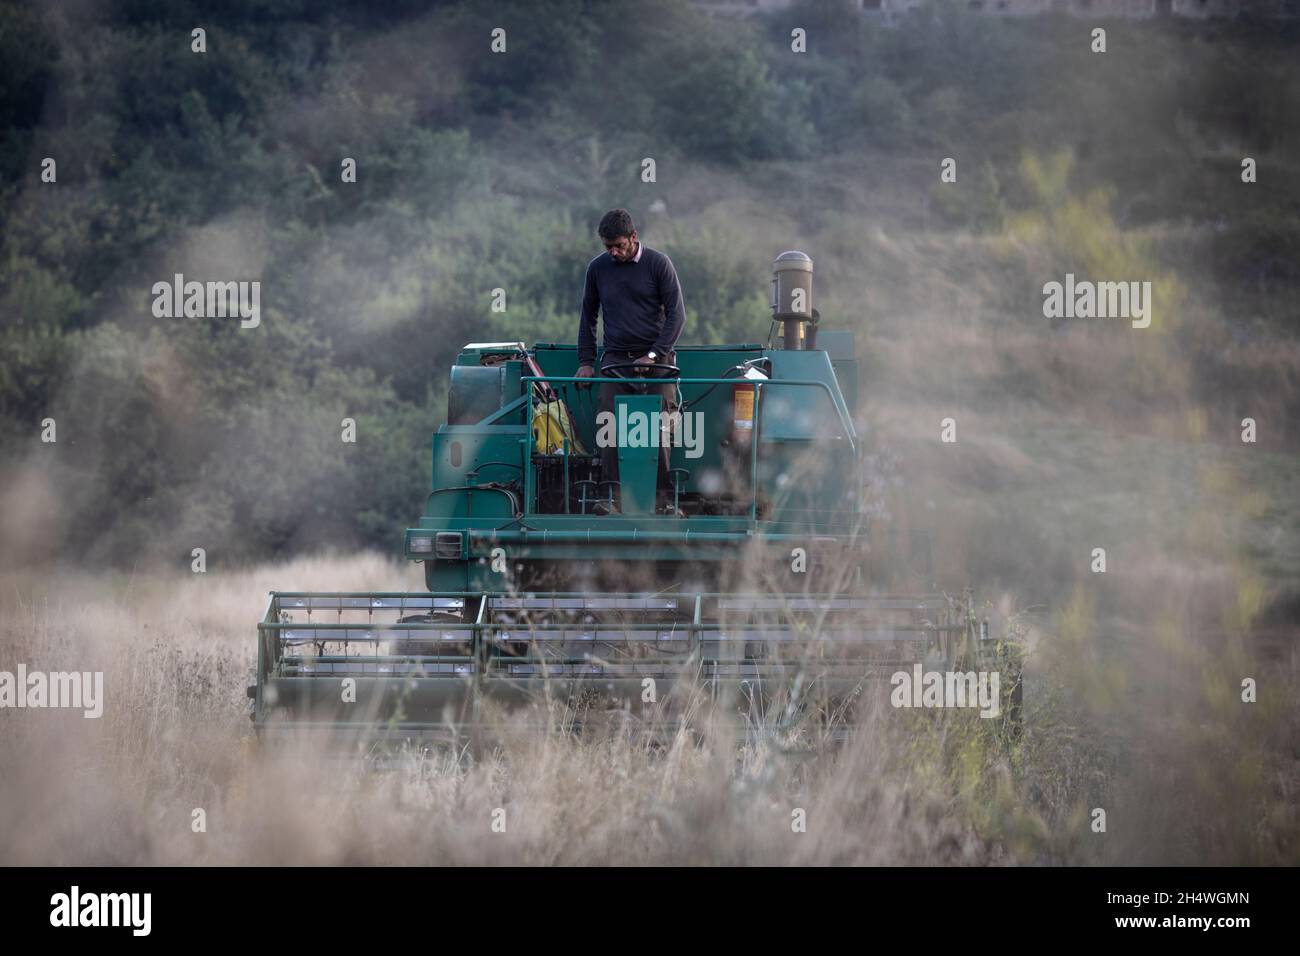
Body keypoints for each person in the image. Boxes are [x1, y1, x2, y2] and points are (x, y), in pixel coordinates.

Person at [576, 209, 686, 514]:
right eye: (607, 247)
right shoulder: (597, 269)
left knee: (660, 424)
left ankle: (663, 502)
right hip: (614, 360)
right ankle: (613, 497)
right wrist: (586, 361)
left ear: (633, 238)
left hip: (658, 358)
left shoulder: (659, 264)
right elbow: (588, 317)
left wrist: (652, 355)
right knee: (608, 421)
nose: (613, 252)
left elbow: (677, 316)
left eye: (619, 246)